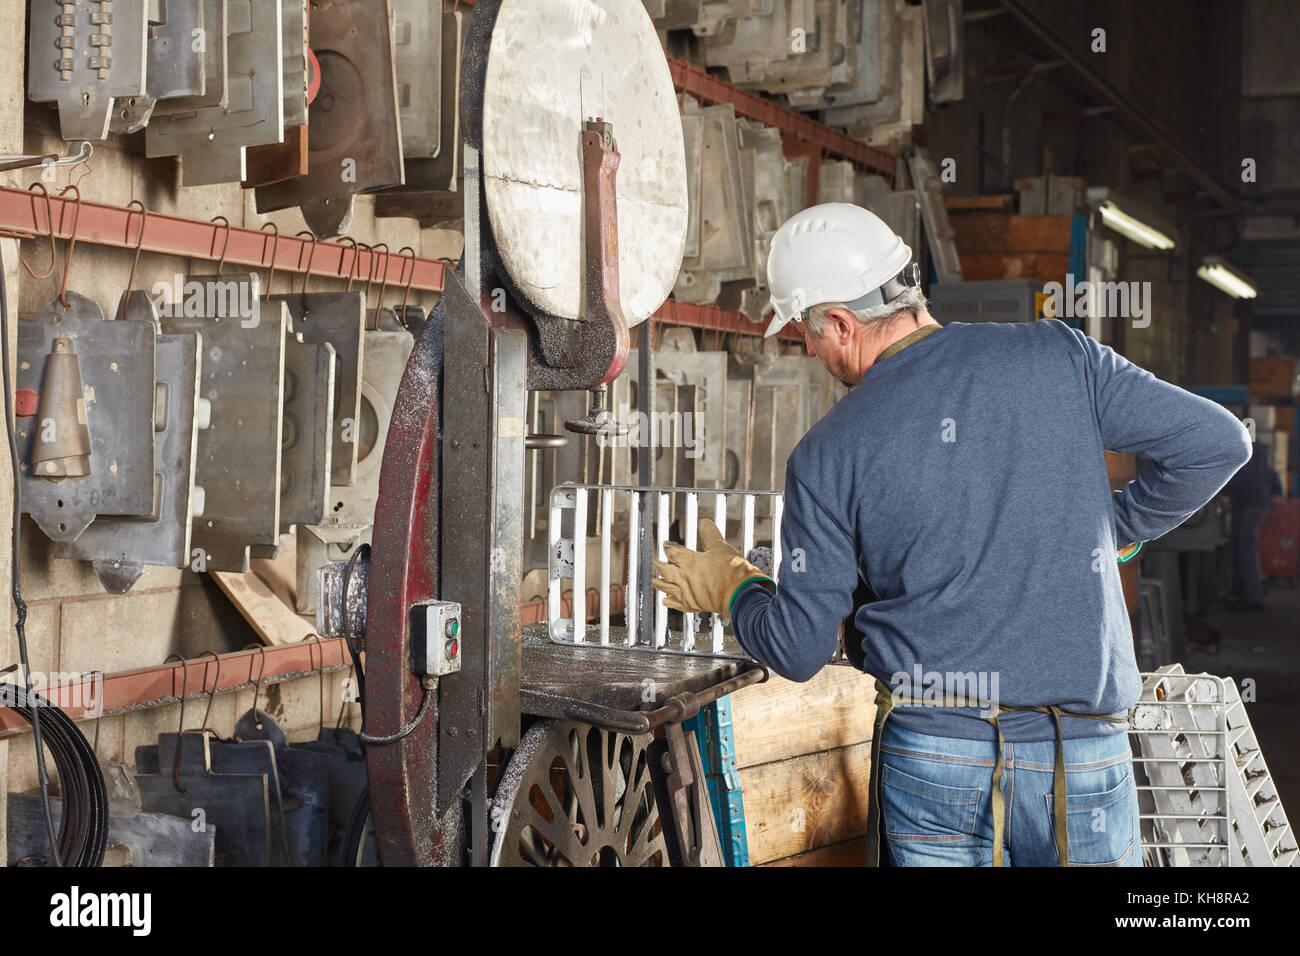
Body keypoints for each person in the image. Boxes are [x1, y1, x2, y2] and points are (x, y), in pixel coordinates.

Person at [652, 203, 1251, 867]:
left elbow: (797, 649)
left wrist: (734, 589)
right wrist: (1110, 526)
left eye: (805, 333)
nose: (811, 350)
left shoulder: (829, 451)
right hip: (1080, 755)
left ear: (842, 323)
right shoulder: (1061, 355)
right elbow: (1218, 443)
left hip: (938, 759)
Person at [1225, 438, 1273, 612]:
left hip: (1249, 505)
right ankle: (1246, 592)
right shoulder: (1258, 447)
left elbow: (1243, 480)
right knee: (1246, 550)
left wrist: (1221, 485)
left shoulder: (1246, 448)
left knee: (1246, 552)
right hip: (1257, 503)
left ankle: (1253, 597)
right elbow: (1268, 477)